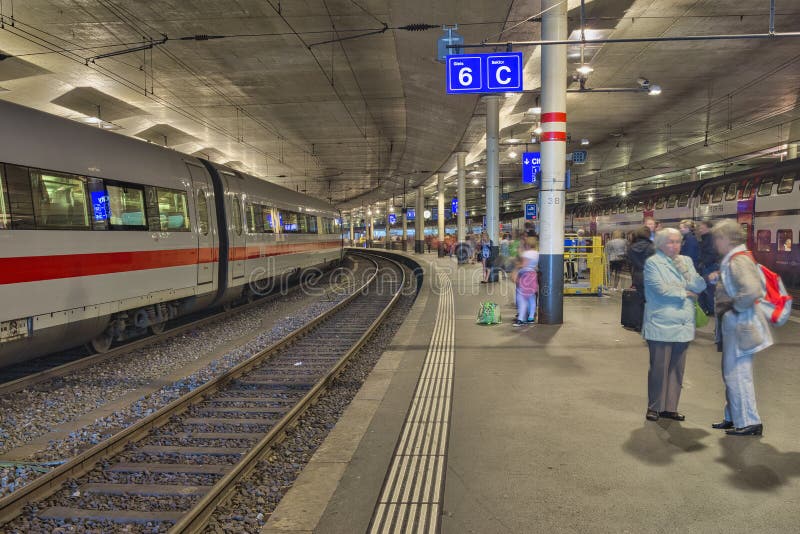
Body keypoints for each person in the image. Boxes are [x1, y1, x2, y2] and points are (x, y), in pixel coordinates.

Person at [709, 219, 772, 436]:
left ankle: (748, 421)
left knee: (737, 373)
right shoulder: (738, 258)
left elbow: (753, 290)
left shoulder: (738, 260)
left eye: (716, 238)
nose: (715, 243)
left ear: (725, 239)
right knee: (732, 372)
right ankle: (734, 416)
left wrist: (734, 306)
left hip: (739, 324)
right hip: (737, 324)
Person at [642, 228, 706, 422]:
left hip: (683, 323)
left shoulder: (686, 261)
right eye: (670, 242)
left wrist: (686, 272)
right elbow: (660, 289)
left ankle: (670, 407)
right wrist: (684, 293)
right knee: (659, 367)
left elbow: (700, 285)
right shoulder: (653, 263)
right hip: (662, 322)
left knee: (677, 369)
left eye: (678, 241)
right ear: (660, 244)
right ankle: (654, 407)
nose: (675, 245)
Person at [627, 226, 655, 330]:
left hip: (638, 275)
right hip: (650, 275)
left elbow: (630, 263)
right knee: (650, 301)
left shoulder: (631, 248)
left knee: (639, 301)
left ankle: (639, 324)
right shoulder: (652, 247)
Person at [513, 238, 539, 326]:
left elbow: (524, 265)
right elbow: (535, 266)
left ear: (527, 245)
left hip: (525, 276)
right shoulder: (537, 253)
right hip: (533, 275)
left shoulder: (526, 253)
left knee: (522, 297)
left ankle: (521, 319)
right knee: (531, 297)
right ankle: (531, 317)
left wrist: (517, 266)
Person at [697, 220, 718, 315]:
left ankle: (710, 309)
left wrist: (704, 263)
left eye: (702, 228)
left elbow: (712, 253)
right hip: (707, 266)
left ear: (708, 228)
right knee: (705, 288)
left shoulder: (710, 239)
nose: (699, 229)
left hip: (709, 267)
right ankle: (706, 308)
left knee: (709, 289)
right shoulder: (705, 238)